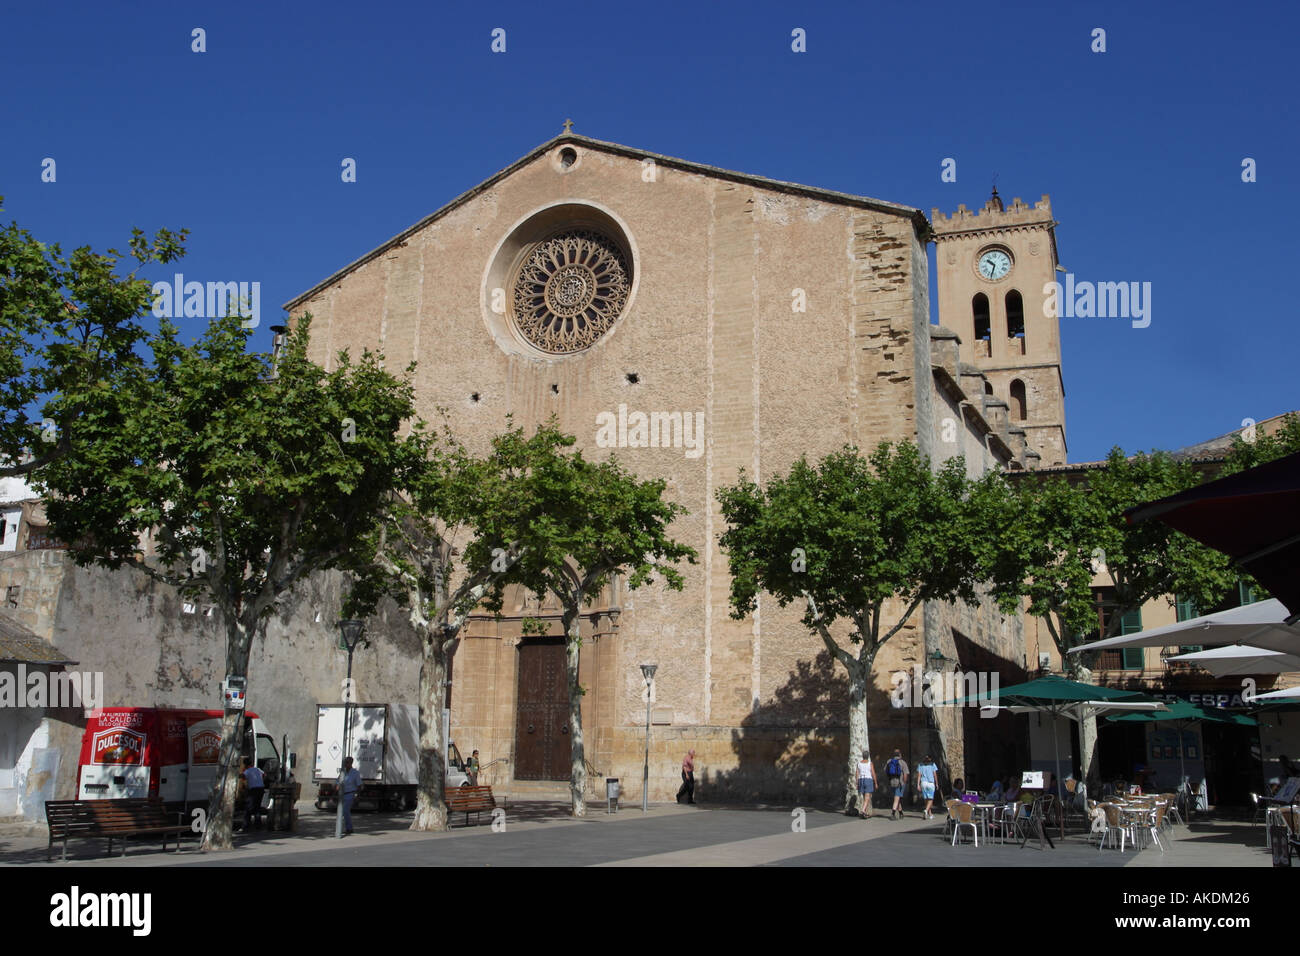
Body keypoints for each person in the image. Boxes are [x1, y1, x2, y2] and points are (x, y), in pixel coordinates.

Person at [241, 757, 265, 832]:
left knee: (248, 808)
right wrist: (260, 780)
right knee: (257, 807)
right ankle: (258, 826)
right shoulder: (257, 769)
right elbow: (264, 775)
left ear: (245, 765)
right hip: (261, 789)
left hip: (253, 790)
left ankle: (245, 826)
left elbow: (242, 778)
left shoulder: (247, 771)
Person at [339, 755, 362, 835]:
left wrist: (357, 796)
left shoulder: (355, 773)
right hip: (342, 794)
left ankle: (349, 828)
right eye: (345, 762)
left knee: (345, 810)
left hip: (350, 794)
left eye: (347, 762)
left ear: (351, 763)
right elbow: (338, 781)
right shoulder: (343, 772)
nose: (346, 764)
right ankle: (343, 827)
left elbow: (359, 785)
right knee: (341, 811)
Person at [886, 750, 909, 820]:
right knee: (897, 798)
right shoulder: (902, 762)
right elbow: (905, 774)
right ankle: (892, 814)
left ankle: (901, 813)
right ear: (900, 755)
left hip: (892, 782)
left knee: (897, 797)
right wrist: (904, 782)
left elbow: (886, 771)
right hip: (900, 782)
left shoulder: (889, 761)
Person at [917, 755, 939, 820]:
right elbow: (935, 775)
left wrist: (918, 784)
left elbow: (919, 775)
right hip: (930, 783)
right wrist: (937, 783)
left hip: (923, 783)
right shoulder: (933, 765)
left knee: (926, 799)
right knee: (931, 799)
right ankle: (926, 810)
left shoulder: (920, 765)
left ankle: (930, 814)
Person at [857, 751, 877, 818]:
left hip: (861, 779)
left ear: (862, 756)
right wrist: (876, 782)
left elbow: (857, 773)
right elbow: (873, 773)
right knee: (867, 797)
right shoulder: (870, 763)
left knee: (864, 797)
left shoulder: (859, 764)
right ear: (868, 756)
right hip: (868, 779)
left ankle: (865, 812)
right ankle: (863, 811)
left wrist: (857, 782)